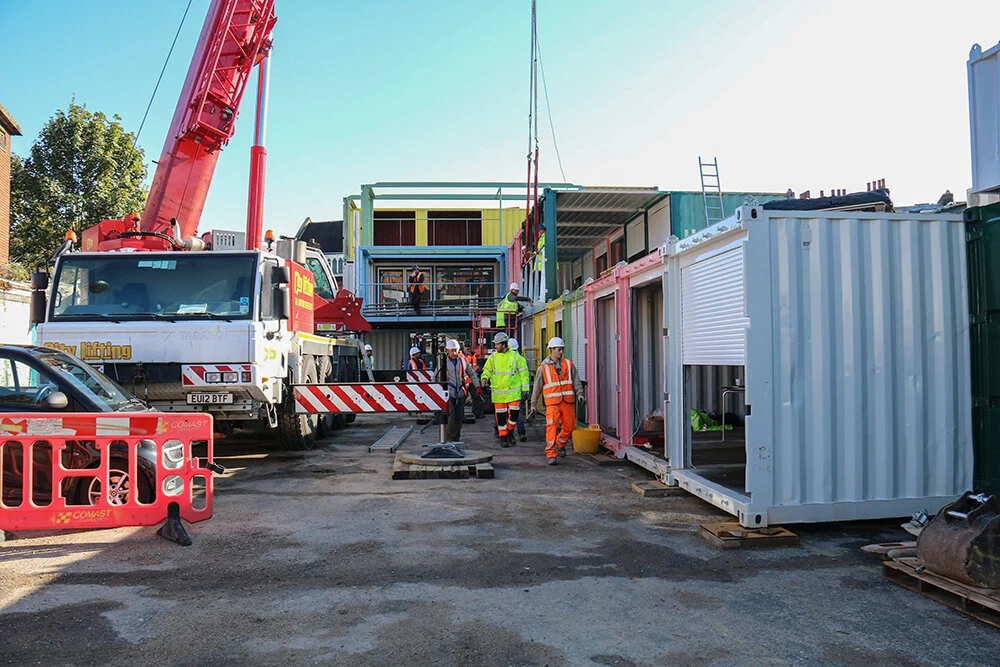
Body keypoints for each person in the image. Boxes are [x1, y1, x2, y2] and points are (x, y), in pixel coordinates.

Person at [530, 336, 584, 466]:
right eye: (559, 349)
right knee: (552, 428)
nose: (561, 352)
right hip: (552, 404)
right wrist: (533, 404)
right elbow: (537, 388)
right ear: (552, 350)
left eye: (562, 350)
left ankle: (559, 444)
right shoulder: (543, 368)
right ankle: (551, 454)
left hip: (568, 402)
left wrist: (580, 394)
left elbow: (576, 381)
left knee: (570, 427)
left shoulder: (569, 365)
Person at [480, 332, 528, 447]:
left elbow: (524, 374)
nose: (495, 347)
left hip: (513, 392)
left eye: (497, 344)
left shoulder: (516, 357)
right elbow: (487, 370)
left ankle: (510, 431)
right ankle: (503, 437)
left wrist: (525, 389)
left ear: (503, 344)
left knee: (514, 415)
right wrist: (484, 377)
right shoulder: (493, 357)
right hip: (498, 393)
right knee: (500, 418)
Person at [436, 338, 481, 442]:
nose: (455, 353)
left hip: (460, 392)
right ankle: (450, 439)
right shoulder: (443, 362)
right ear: (447, 351)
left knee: (459, 416)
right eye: (452, 350)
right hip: (448, 393)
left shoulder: (462, 360)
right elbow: (436, 376)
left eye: (456, 350)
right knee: (451, 417)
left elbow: (471, 373)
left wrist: (477, 386)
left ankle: (456, 438)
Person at [508, 338, 530, 442]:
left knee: (504, 413)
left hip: (505, 392)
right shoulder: (520, 359)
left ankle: (507, 434)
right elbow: (525, 376)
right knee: (519, 413)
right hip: (518, 391)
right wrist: (525, 390)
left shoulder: (503, 360)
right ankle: (521, 433)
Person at [462, 339, 484, 418]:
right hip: (464, 381)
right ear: (463, 347)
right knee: (461, 398)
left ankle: (478, 413)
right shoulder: (461, 356)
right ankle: (459, 414)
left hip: (472, 381)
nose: (468, 349)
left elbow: (478, 366)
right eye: (466, 347)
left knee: (477, 397)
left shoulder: (474, 356)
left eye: (469, 347)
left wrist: (478, 368)